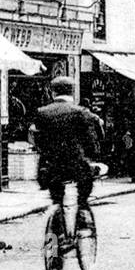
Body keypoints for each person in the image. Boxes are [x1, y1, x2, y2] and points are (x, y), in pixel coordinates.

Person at [31, 79, 105, 215]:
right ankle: (82, 212)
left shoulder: (42, 112)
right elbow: (90, 140)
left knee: (56, 198)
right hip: (75, 165)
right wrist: (92, 154)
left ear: (53, 92)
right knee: (84, 187)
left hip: (50, 167)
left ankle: (56, 221)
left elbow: (37, 139)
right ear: (72, 91)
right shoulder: (80, 112)